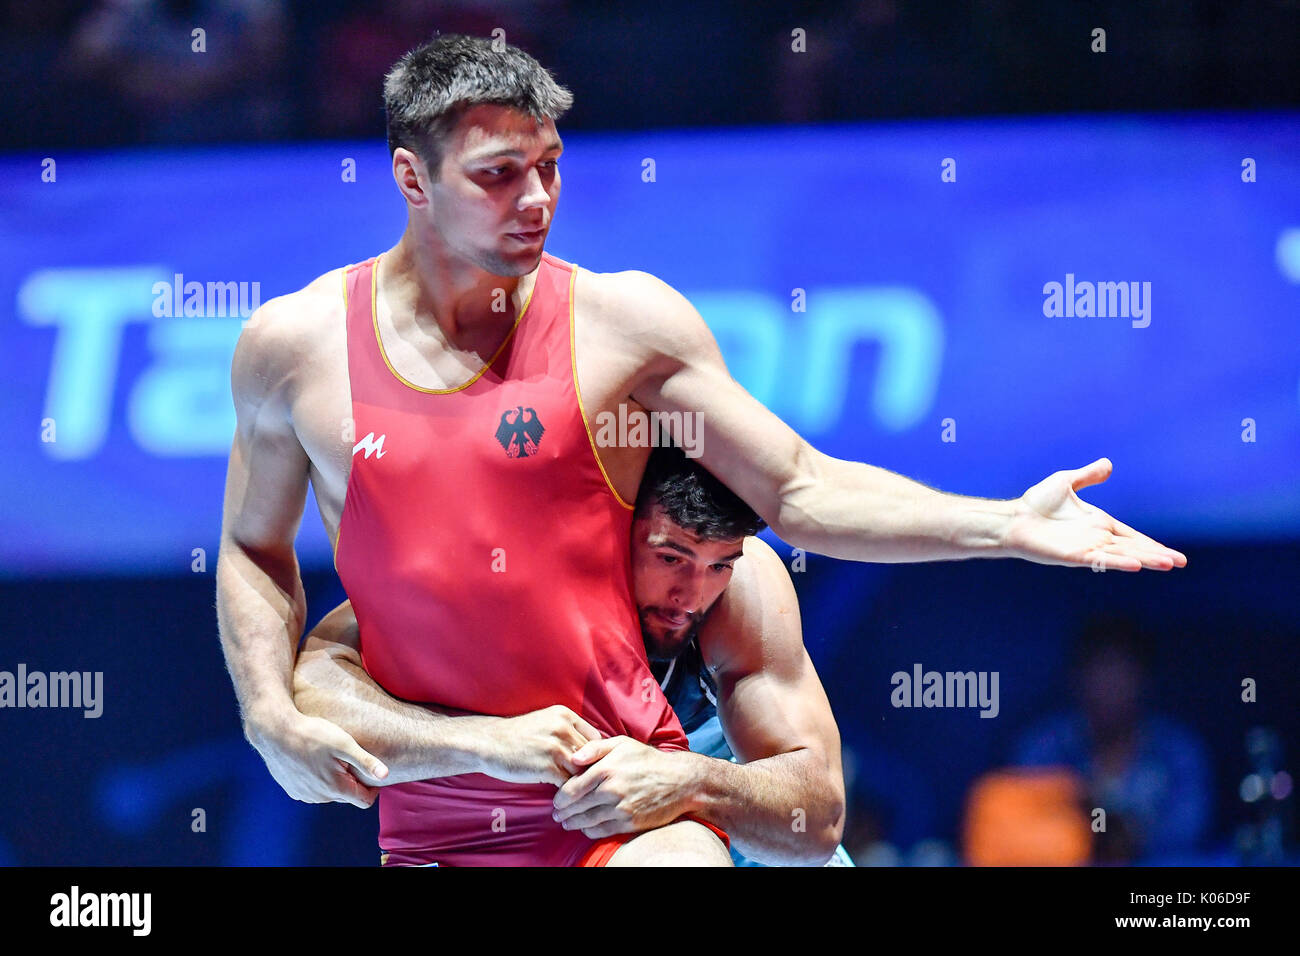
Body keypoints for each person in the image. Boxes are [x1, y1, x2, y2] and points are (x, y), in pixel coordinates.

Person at [215, 33, 1185, 867]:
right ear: (411, 178)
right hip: (435, 823)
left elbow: (800, 487)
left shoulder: (624, 324)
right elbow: (253, 550)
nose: (537, 199)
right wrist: (266, 712)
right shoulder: (293, 349)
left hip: (621, 803)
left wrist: (1004, 523)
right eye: (498, 174)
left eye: (550, 165)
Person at [295, 445, 852, 866]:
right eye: (670, 557)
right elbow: (314, 693)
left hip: (705, 815)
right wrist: (482, 741)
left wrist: (689, 781)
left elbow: (818, 817)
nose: (691, 596)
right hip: (497, 835)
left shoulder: (742, 591)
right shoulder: (501, 557)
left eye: (719, 564)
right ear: (615, 522)